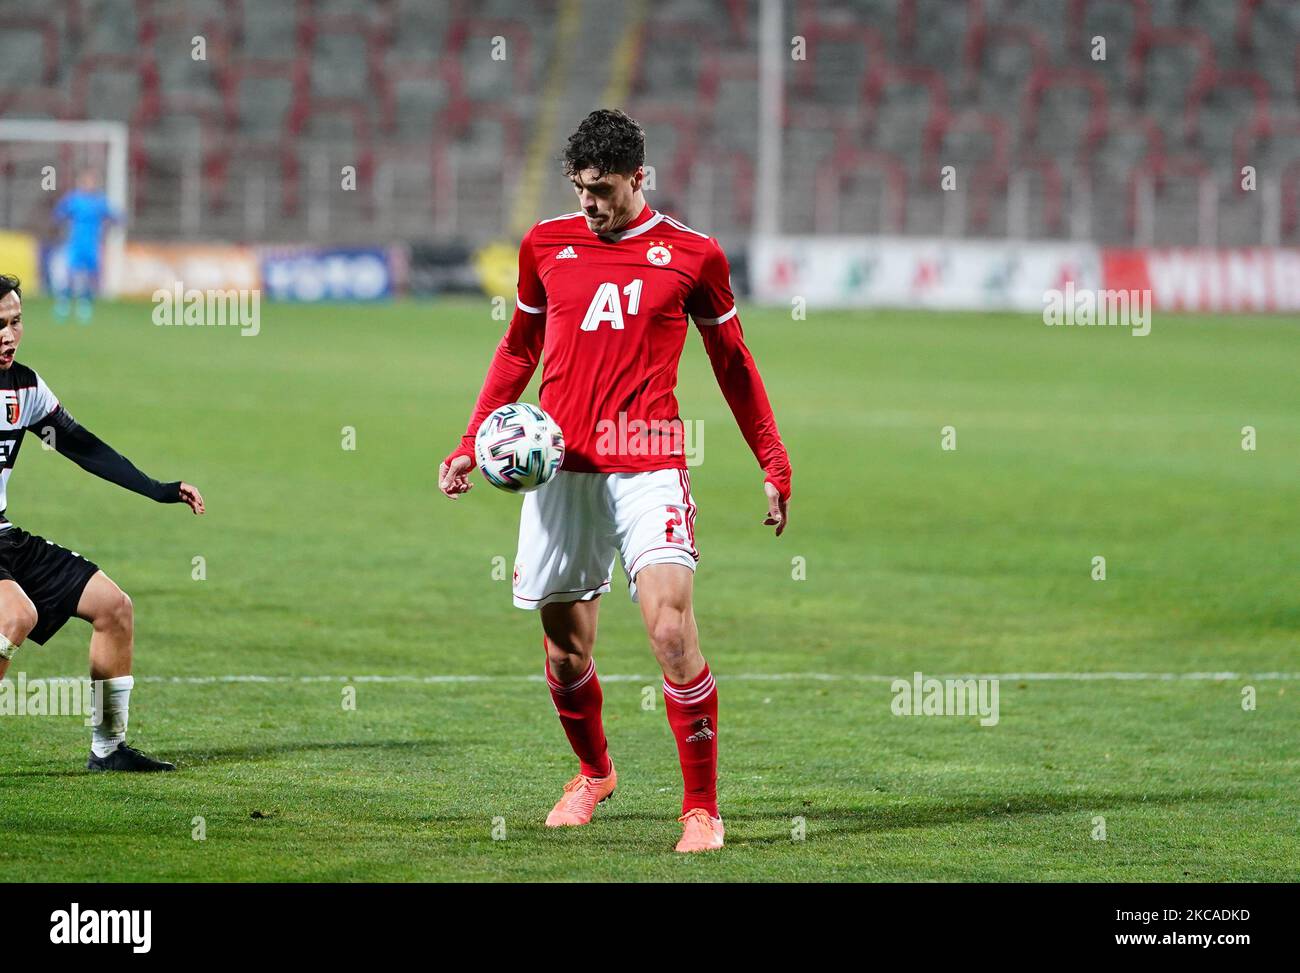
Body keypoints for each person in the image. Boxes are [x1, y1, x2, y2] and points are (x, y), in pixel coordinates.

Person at [438, 109, 792, 852]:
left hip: (649, 456)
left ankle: (701, 807)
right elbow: (517, 349)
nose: (589, 205)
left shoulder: (693, 255)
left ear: (638, 177)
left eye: (601, 190)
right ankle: (593, 772)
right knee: (567, 651)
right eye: (579, 190)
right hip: (560, 465)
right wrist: (474, 438)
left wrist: (772, 460)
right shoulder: (546, 243)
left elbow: (734, 363)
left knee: (669, 627)